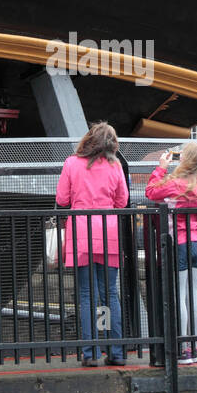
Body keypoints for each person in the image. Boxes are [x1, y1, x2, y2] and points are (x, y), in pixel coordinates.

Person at [56, 122, 128, 367]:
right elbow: (123, 200)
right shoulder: (115, 165)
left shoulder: (71, 163)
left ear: (89, 139)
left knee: (87, 295)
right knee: (110, 294)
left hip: (81, 231)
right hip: (109, 231)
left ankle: (91, 353)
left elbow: (62, 199)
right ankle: (116, 351)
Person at [145, 142, 197, 364]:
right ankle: (195, 348)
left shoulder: (178, 184)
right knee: (193, 295)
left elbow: (151, 192)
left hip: (178, 243)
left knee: (179, 296)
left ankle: (184, 349)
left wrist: (161, 167)